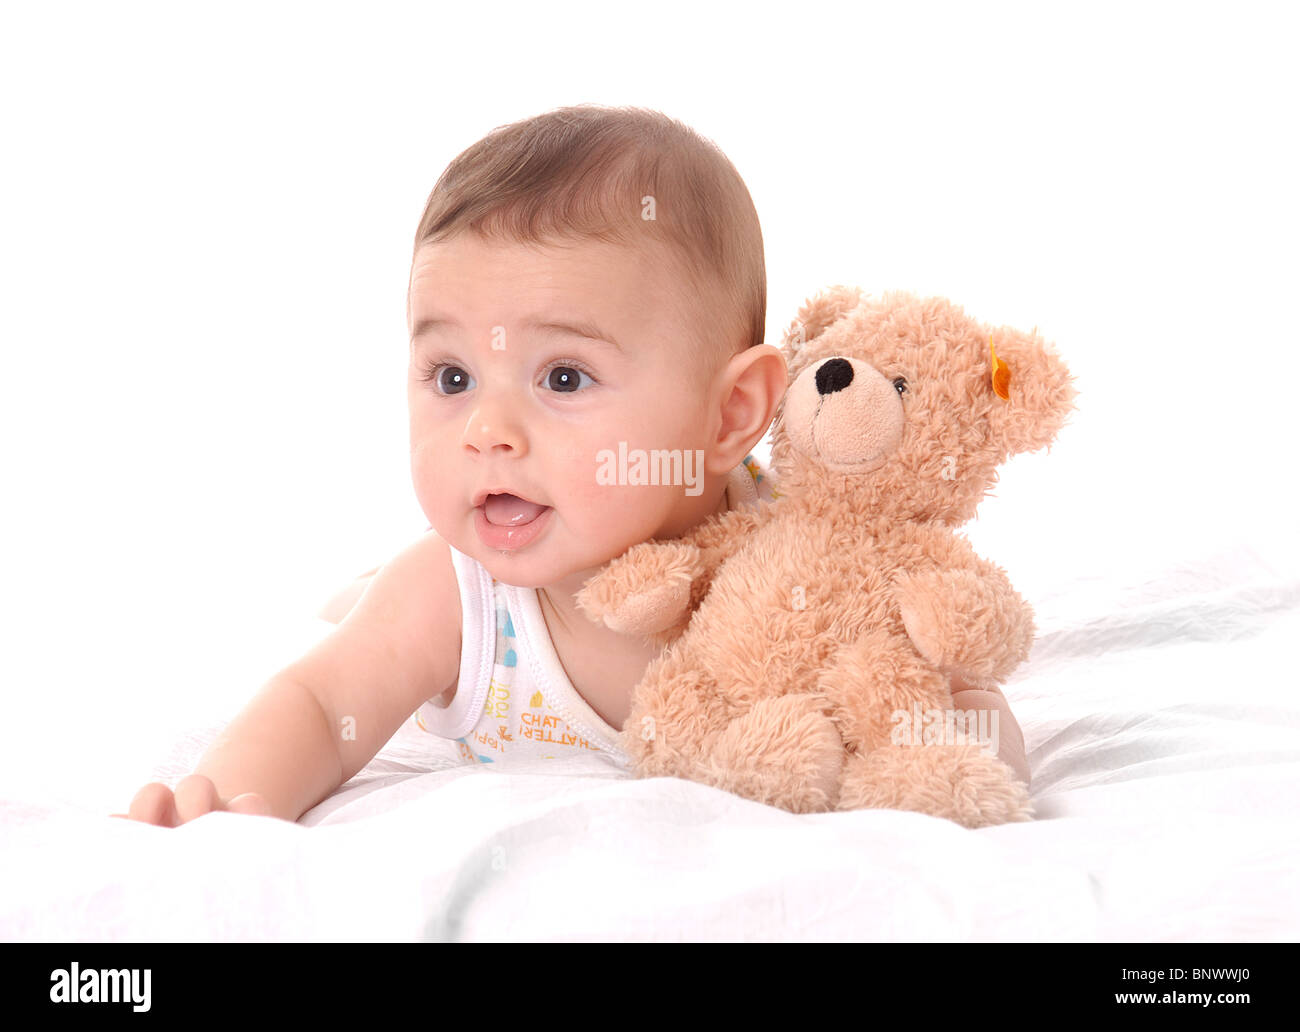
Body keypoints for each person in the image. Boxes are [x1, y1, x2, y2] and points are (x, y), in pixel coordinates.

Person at [122, 104, 1028, 827]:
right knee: (351, 614)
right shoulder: (460, 596)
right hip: (399, 602)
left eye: (562, 376)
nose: (488, 430)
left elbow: (957, 698)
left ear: (731, 414)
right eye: (451, 375)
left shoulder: (802, 569)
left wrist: (958, 749)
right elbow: (321, 706)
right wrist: (232, 801)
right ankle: (342, 591)